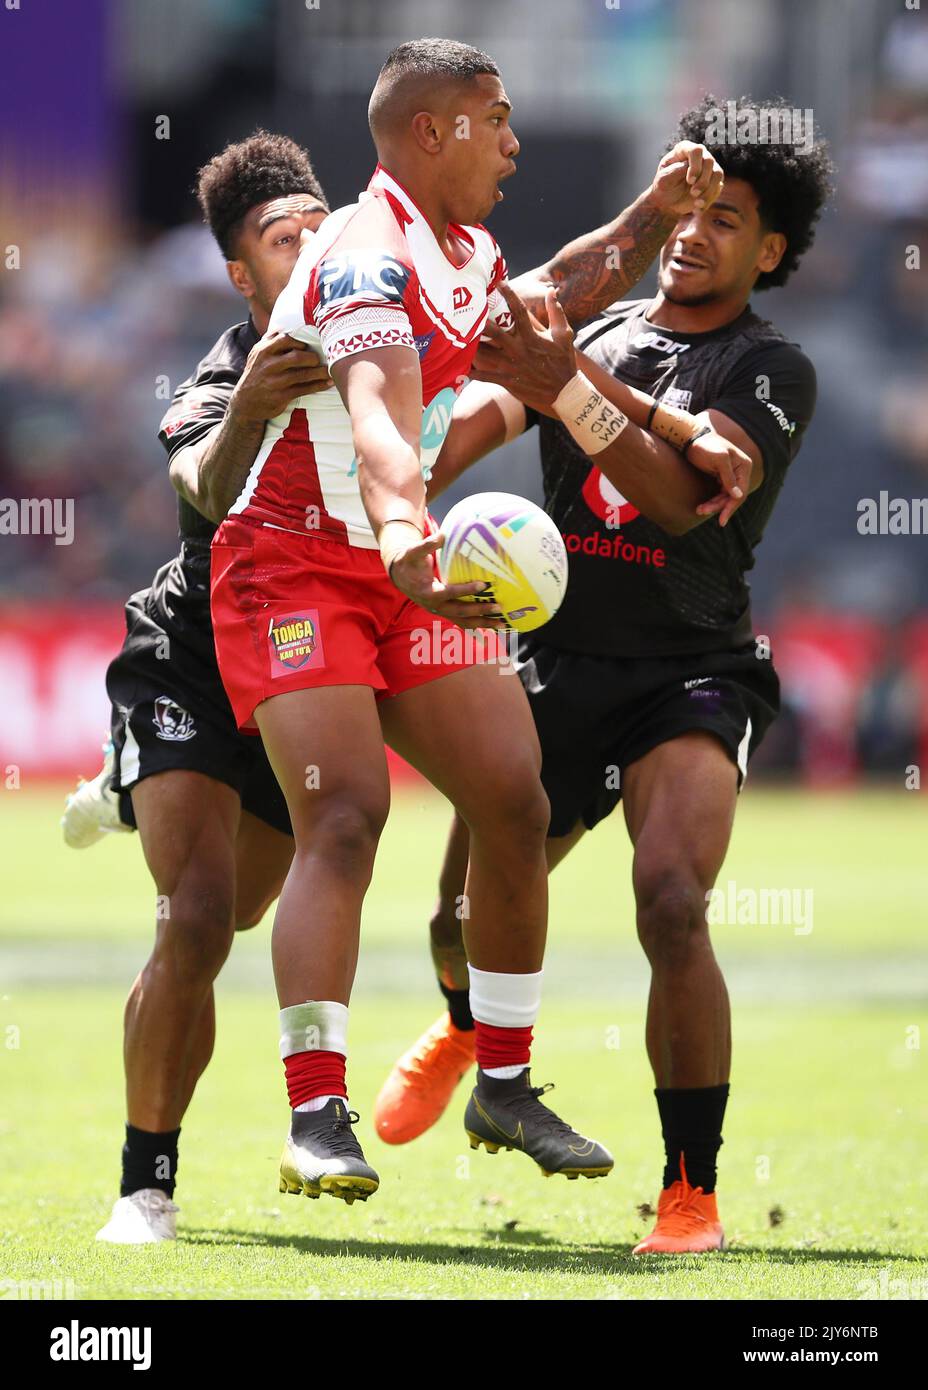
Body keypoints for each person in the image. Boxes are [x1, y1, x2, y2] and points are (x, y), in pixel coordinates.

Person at [374, 94, 833, 1254]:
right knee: (455, 917)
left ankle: (689, 1197)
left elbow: (682, 506)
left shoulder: (773, 368)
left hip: (692, 671)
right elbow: (479, 403)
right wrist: (402, 478)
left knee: (673, 902)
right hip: (556, 664)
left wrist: (562, 379)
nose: (694, 234)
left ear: (769, 251)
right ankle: (469, 1031)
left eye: (726, 220)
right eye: (687, 208)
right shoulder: (604, 327)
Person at [70, 132, 331, 1244]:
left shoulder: (385, 367)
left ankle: (119, 784)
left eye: (325, 228)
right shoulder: (222, 374)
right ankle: (144, 1186)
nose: (312, 249)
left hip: (296, 669)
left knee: (230, 926)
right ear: (243, 276)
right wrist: (255, 409)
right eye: (285, 239)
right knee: (196, 919)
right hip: (189, 659)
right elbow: (203, 483)